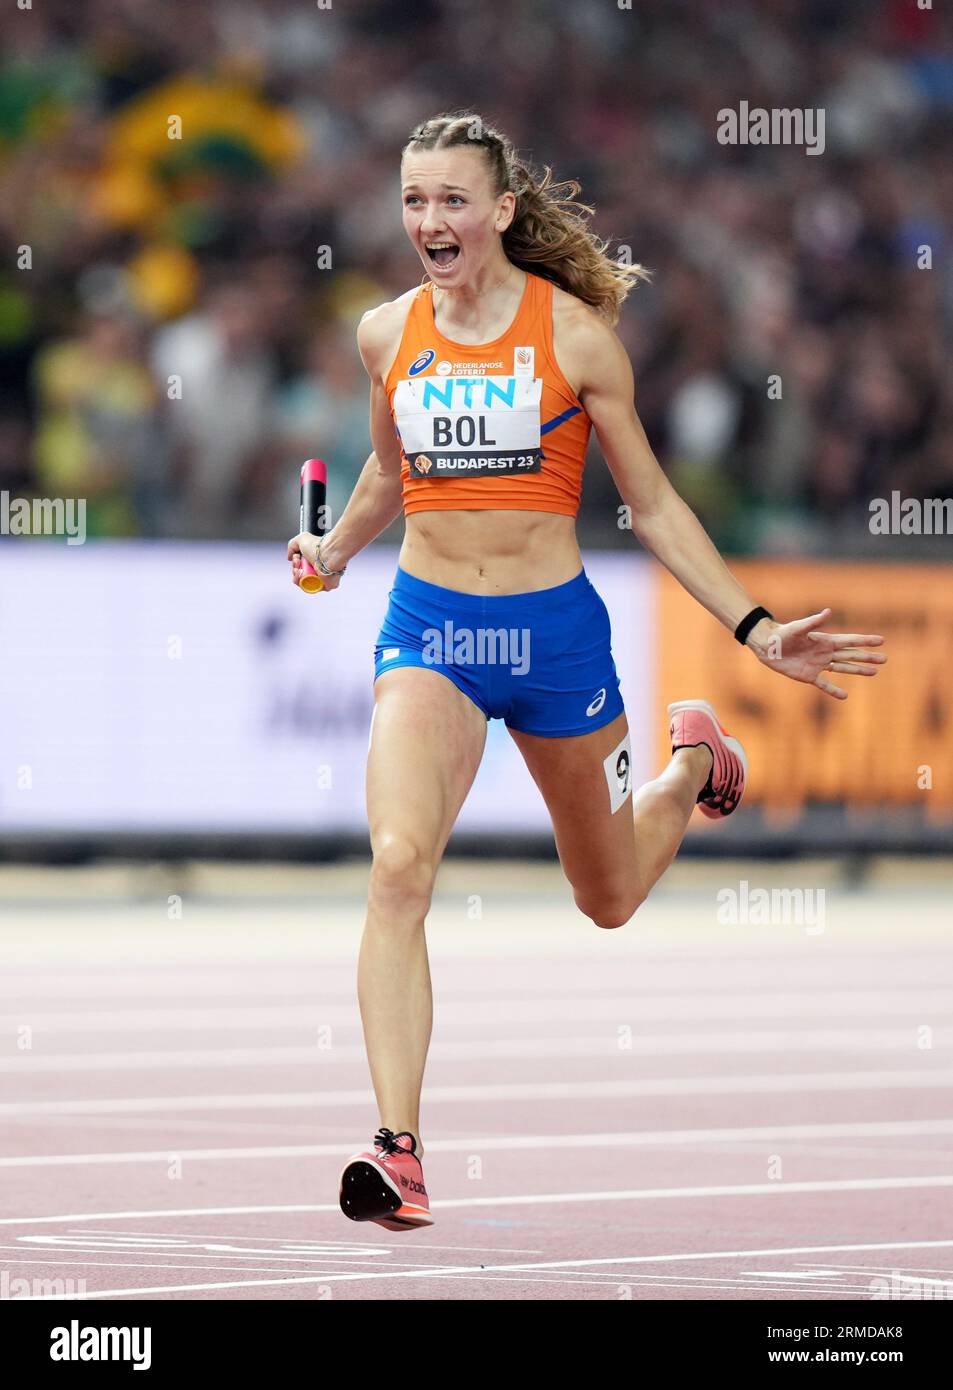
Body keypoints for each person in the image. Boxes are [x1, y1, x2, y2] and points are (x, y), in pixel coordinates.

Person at [287, 112, 886, 1232]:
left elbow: (650, 503)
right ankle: (399, 1148)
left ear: (502, 211)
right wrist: (330, 551)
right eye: (414, 201)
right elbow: (385, 469)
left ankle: (688, 767)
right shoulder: (385, 334)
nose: (430, 222)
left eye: (452, 200)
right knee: (397, 864)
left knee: (606, 895)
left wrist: (753, 629)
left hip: (554, 640)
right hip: (432, 634)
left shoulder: (574, 339)